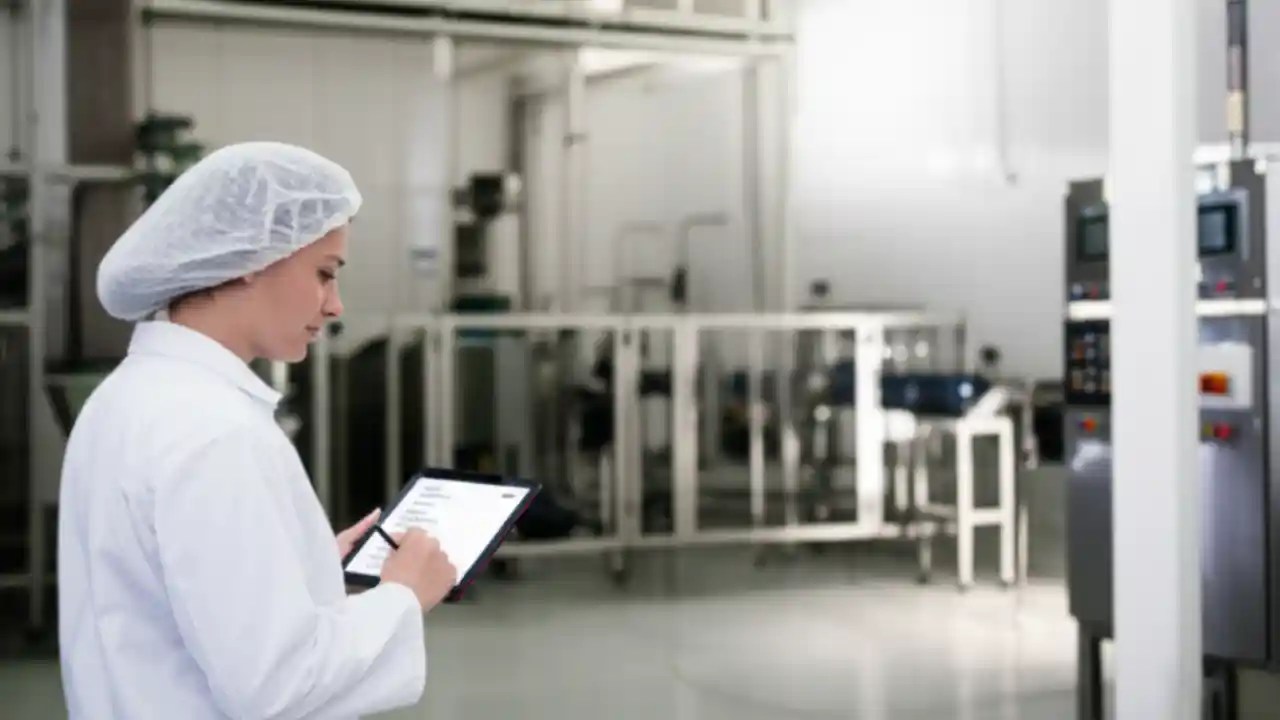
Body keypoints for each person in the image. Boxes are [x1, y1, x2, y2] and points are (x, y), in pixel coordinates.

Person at [57, 141, 458, 719]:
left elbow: (170, 591)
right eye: (324, 274)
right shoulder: (214, 431)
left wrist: (305, 563)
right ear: (253, 257)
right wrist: (403, 595)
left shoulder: (129, 396)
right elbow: (277, 685)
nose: (335, 304)